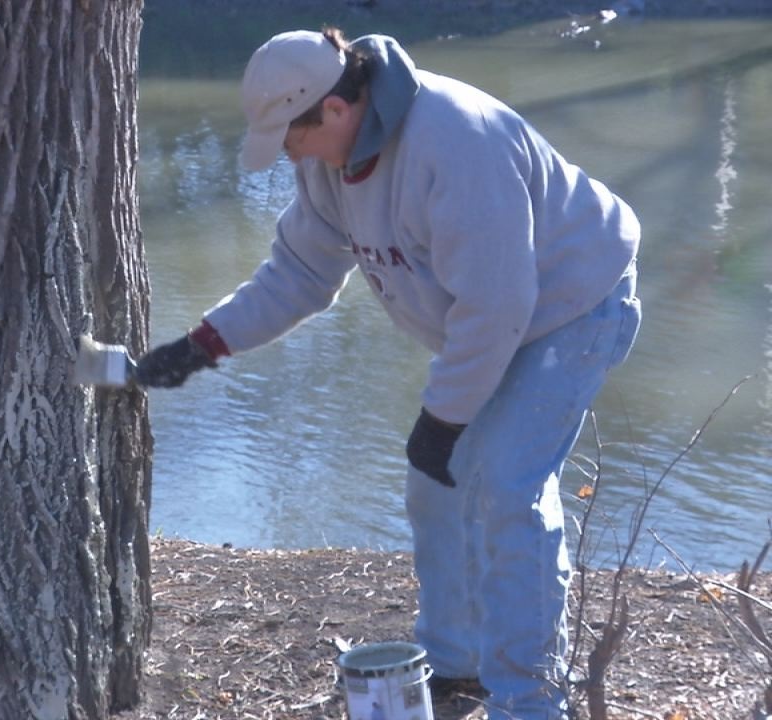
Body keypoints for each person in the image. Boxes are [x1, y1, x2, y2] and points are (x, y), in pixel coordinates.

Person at [135, 28, 642, 720]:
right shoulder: (330, 162)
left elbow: (497, 307)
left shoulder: (456, 143)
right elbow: (300, 273)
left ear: (336, 110)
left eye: (291, 136)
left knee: (506, 486)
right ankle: (455, 661)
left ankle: (528, 701)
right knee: (434, 483)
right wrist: (203, 344)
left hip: (574, 308)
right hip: (495, 319)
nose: (288, 153)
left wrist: (443, 420)